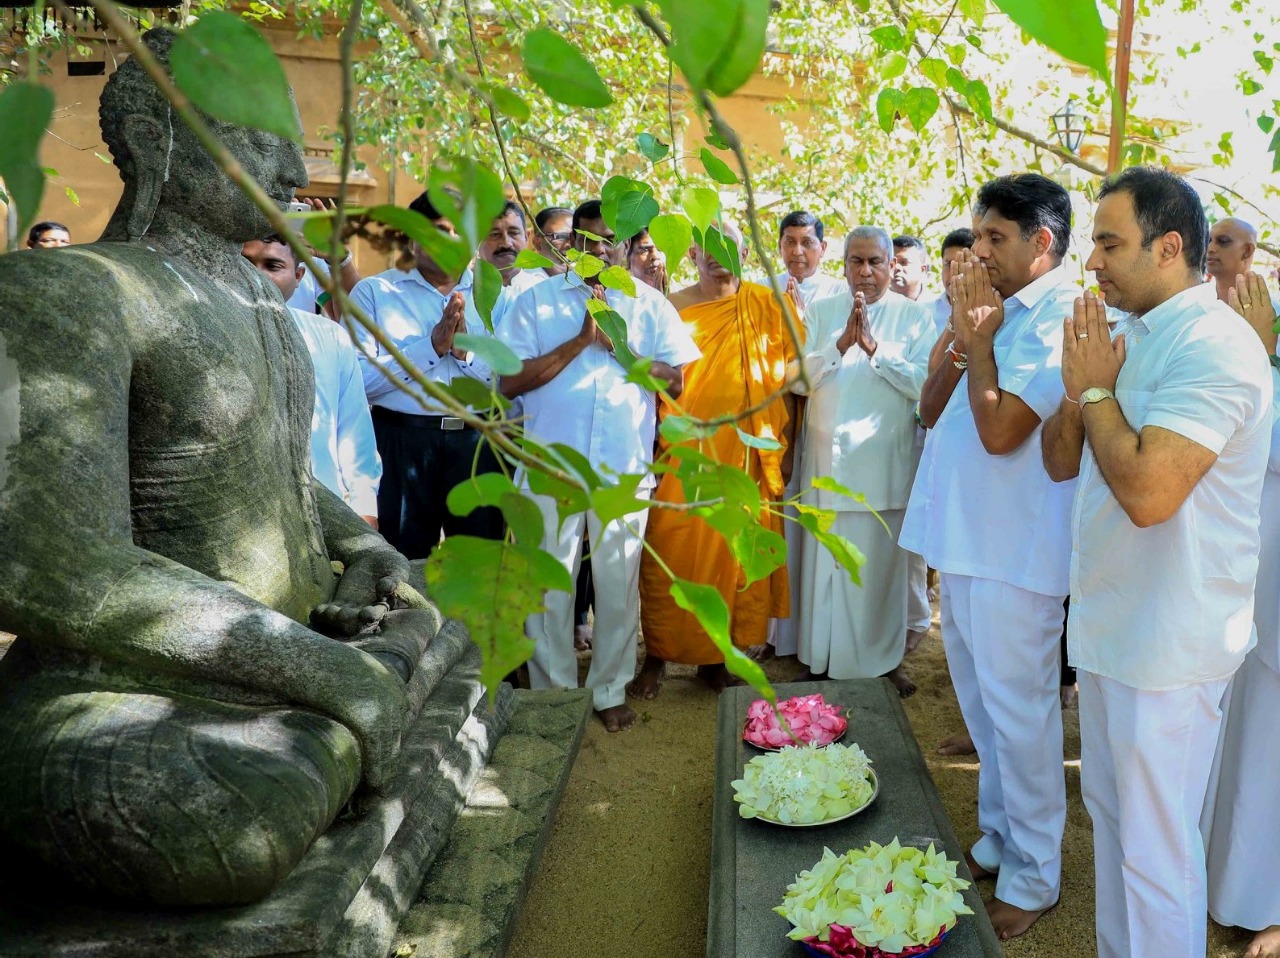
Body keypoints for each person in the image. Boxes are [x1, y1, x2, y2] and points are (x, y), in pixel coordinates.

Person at [0, 27, 437, 904]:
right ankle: (340, 709)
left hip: (295, 643)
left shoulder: (267, 313)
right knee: (217, 824)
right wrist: (326, 673)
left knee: (438, 625)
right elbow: (46, 566)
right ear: (161, 137)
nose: (289, 166)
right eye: (255, 134)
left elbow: (276, 470)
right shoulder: (70, 292)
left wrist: (366, 551)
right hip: (132, 687)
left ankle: (343, 706)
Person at [1042, 166, 1272, 958]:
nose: (1093, 260)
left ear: (1169, 246)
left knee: (1158, 851)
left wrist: (1098, 396)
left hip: (1170, 643)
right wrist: (1082, 392)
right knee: (1118, 829)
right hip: (1115, 628)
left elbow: (1148, 493)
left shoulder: (1215, 346)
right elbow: (1062, 462)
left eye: (1110, 242)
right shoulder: (1133, 332)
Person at [901, 173, 1080, 940]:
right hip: (966, 540)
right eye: (976, 236)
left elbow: (1007, 431)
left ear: (1043, 245)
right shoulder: (991, 308)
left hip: (1017, 549)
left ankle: (1037, 877)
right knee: (983, 713)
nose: (978, 252)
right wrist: (960, 328)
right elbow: (931, 405)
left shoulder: (1064, 316)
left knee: (1022, 718)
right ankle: (1000, 840)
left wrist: (980, 336)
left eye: (994, 239)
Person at [498, 199, 699, 733]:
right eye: (584, 241)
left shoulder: (651, 305)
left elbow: (676, 382)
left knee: (617, 585)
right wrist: (581, 341)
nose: (595, 251)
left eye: (609, 241)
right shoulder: (535, 303)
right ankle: (554, 696)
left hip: (623, 470)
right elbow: (509, 382)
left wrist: (620, 351)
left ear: (628, 246)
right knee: (548, 586)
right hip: (549, 467)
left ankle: (609, 691)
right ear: (570, 244)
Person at [632, 223, 798, 698]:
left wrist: (785, 453)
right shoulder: (669, 307)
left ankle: (719, 658)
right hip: (682, 453)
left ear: (745, 251)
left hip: (747, 455)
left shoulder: (769, 306)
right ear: (690, 254)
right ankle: (658, 655)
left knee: (734, 557)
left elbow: (796, 383)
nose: (717, 255)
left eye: (728, 245)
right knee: (671, 553)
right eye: (707, 247)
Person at [791, 226, 933, 696]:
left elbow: (923, 386)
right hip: (824, 471)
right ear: (844, 264)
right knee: (824, 572)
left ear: (892, 266)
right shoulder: (822, 310)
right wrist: (838, 346)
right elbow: (794, 379)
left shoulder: (915, 318)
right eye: (857, 261)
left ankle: (883, 662)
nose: (866, 272)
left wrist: (874, 348)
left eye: (875, 262)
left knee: (879, 576)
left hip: (881, 469)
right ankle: (820, 658)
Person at [348, 191, 506, 559]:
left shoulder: (497, 296)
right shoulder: (375, 293)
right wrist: (430, 348)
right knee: (400, 561)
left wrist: (465, 354)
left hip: (477, 444)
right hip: (401, 443)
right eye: (439, 229)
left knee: (480, 562)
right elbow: (360, 383)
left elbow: (509, 383)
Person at [1203, 271, 1280, 958]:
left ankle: (1268, 903)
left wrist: (1260, 360)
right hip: (1250, 556)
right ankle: (1221, 875)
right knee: (1241, 715)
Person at [242, 234, 381, 527]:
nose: (256, 275)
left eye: (273, 265)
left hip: (323, 511)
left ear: (298, 276)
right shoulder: (203, 335)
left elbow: (355, 435)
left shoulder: (330, 337)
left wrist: (365, 514)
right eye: (245, 262)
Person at [778, 210, 844, 308]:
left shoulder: (839, 292)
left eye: (807, 242)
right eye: (790, 242)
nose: (797, 252)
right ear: (779, 246)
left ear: (822, 248)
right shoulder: (762, 289)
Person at [890, 234, 932, 302]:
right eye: (893, 262)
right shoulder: (874, 305)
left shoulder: (937, 307)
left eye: (903, 262)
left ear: (922, 270)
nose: (896, 267)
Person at [627, 227, 668, 293]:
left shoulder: (682, 297)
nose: (655, 256)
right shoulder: (616, 298)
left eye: (660, 249)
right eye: (645, 250)